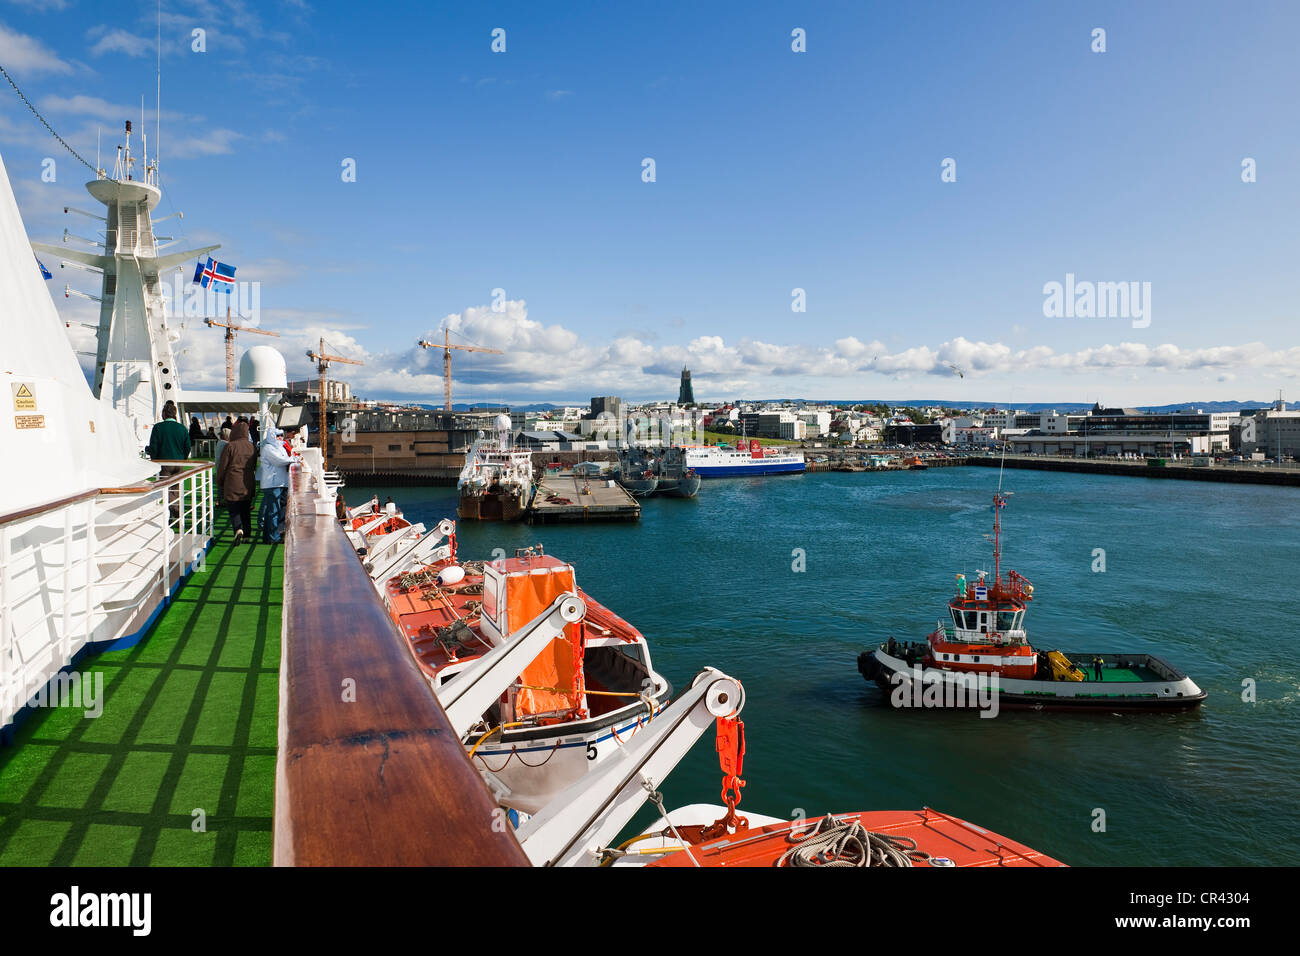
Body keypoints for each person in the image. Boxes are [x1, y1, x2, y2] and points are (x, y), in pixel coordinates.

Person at [146, 400, 191, 519]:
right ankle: (174, 512)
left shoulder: (158, 428)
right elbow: (187, 447)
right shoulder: (182, 428)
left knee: (166, 489)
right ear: (175, 414)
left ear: (164, 414)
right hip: (178, 463)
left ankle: (174, 510)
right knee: (175, 489)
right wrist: (183, 458)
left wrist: (154, 460)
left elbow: (154, 447)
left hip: (164, 463)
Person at [216, 422, 257, 544]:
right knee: (245, 510)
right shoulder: (252, 446)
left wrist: (220, 481)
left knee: (234, 509)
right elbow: (254, 465)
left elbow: (222, 466)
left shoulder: (230, 446)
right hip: (248, 481)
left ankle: (238, 530)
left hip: (232, 481)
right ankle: (247, 535)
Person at [257, 424, 297, 543]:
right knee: (273, 511)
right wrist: (294, 459)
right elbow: (280, 461)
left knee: (274, 511)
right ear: (272, 436)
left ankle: (269, 537)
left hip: (278, 483)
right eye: (277, 435)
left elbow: (284, 459)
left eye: (281, 435)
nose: (280, 437)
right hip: (272, 483)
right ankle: (272, 537)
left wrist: (292, 458)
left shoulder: (278, 447)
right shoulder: (268, 448)